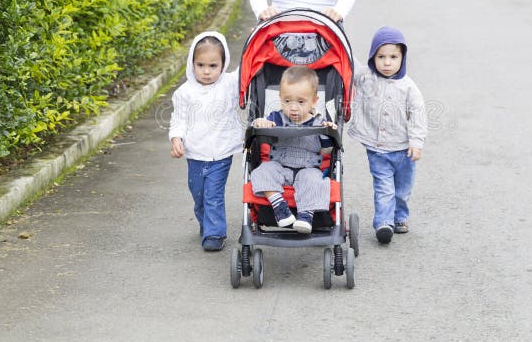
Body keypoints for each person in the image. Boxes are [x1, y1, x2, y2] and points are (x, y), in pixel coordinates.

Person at [348, 27, 428, 244]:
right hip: (378, 149)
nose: (386, 63)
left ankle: (400, 217)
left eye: (393, 57)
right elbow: (349, 61)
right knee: (384, 188)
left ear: (402, 58)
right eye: (381, 57)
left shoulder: (408, 87)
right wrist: (338, 31)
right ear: (372, 57)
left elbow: (418, 115)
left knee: (402, 191)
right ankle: (384, 223)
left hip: (404, 150)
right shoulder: (366, 77)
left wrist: (416, 142)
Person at [169, 32, 243, 251]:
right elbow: (178, 119)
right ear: (192, 63)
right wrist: (176, 138)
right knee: (199, 194)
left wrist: (255, 37)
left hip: (221, 153)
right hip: (195, 154)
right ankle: (206, 222)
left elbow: (246, 68)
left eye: (213, 65)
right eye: (200, 65)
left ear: (223, 64)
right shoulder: (184, 92)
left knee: (213, 194)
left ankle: (215, 233)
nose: (207, 71)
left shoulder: (228, 84)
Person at [249, 65, 337, 234]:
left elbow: (327, 152)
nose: (293, 107)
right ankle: (279, 206)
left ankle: (306, 216)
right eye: (287, 101)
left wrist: (329, 132)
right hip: (279, 167)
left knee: (315, 181)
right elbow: (258, 128)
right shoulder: (276, 118)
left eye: (301, 102)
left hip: (308, 168)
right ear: (280, 98)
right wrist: (261, 123)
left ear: (314, 101)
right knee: (261, 171)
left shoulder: (320, 122)